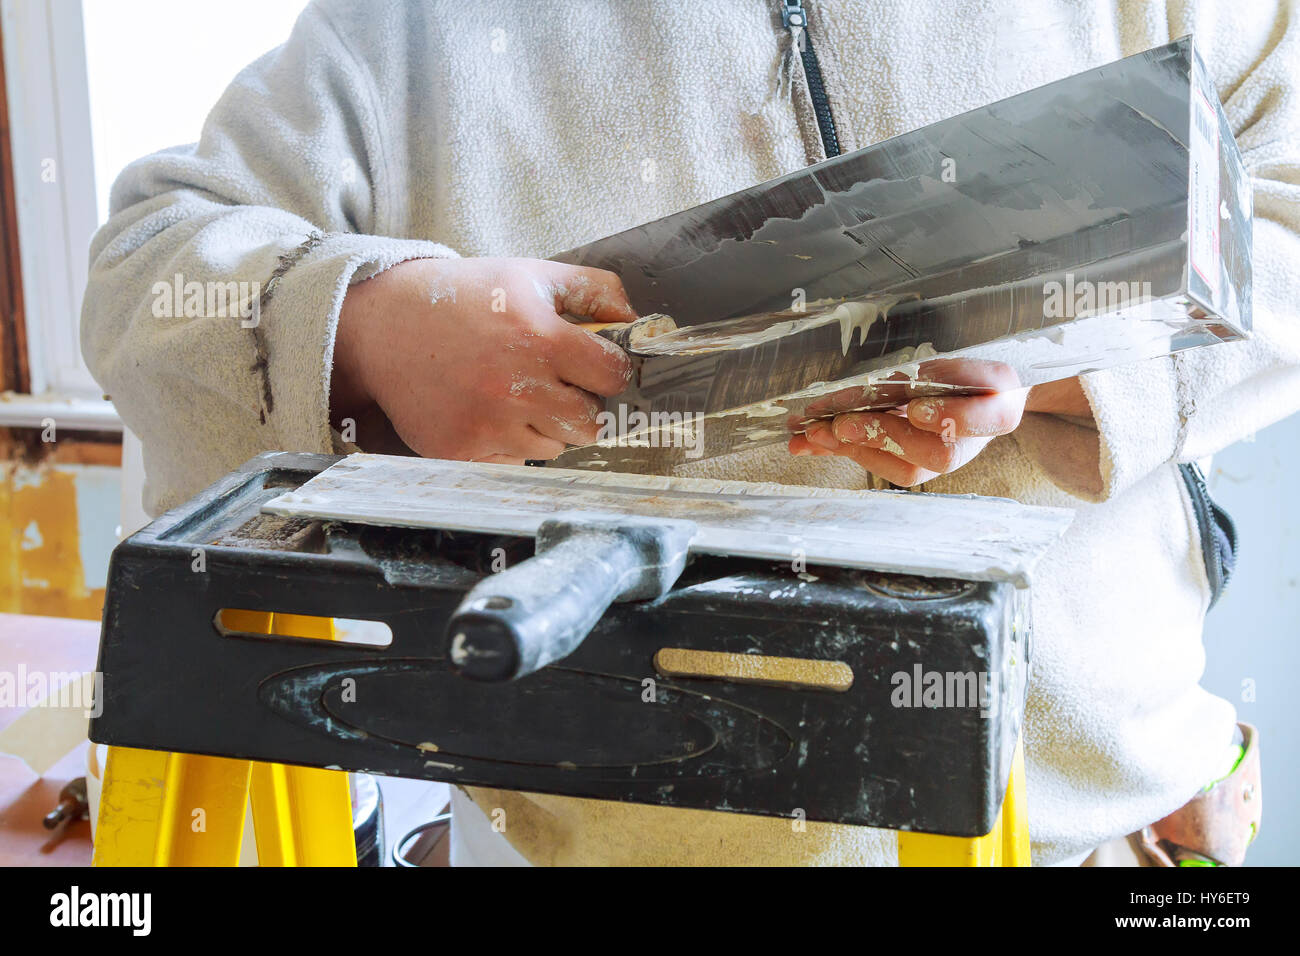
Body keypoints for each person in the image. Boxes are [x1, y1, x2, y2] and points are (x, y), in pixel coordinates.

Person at [82, 0, 1297, 865]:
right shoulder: (406, 35)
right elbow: (145, 273)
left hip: (1106, 827)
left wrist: (1052, 371)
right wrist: (376, 321)